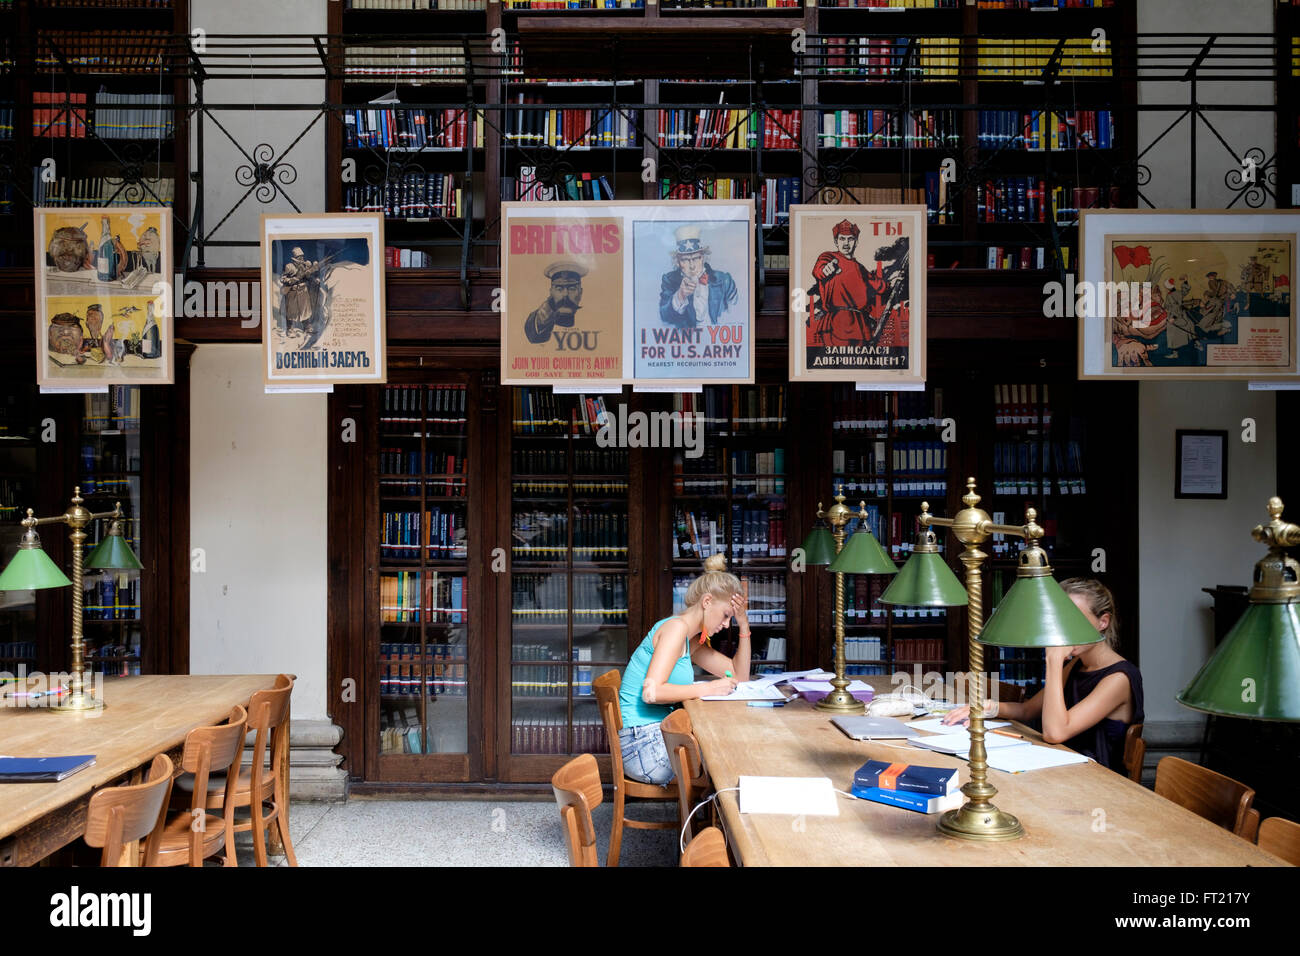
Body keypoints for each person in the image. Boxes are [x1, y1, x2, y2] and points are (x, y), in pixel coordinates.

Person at [942, 578, 1143, 775]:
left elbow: (1055, 732)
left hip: (1099, 783)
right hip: (1063, 771)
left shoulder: (1119, 678)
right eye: (1060, 620)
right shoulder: (1077, 663)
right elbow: (1028, 710)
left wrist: (1053, 661)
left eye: (1075, 620)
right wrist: (986, 708)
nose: (1064, 630)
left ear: (1103, 621)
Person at [616, 554, 750, 785]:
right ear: (707, 602)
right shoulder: (676, 629)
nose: (727, 624)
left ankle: (714, 817)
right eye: (726, 615)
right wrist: (706, 688)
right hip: (643, 748)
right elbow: (652, 693)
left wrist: (744, 623)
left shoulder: (691, 640)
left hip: (655, 737)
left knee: (729, 749)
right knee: (727, 756)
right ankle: (715, 817)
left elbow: (740, 676)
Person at [809, 218, 889, 348]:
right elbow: (819, 270)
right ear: (836, 241)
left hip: (860, 323)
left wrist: (893, 281)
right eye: (842, 239)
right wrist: (826, 269)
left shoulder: (860, 268)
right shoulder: (829, 257)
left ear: (856, 242)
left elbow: (880, 286)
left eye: (850, 239)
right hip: (837, 322)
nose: (846, 243)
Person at [658, 225, 738, 330]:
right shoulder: (669, 280)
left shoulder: (724, 280)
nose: (692, 266)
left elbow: (736, 315)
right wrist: (680, 295)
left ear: (703, 258)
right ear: (677, 262)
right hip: (686, 340)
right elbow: (664, 316)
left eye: (696, 258)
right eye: (685, 260)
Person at [525, 260, 586, 345]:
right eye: (559, 289)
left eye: (572, 289)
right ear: (551, 292)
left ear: (580, 292)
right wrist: (540, 320)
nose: (565, 294)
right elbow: (534, 336)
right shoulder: (544, 313)